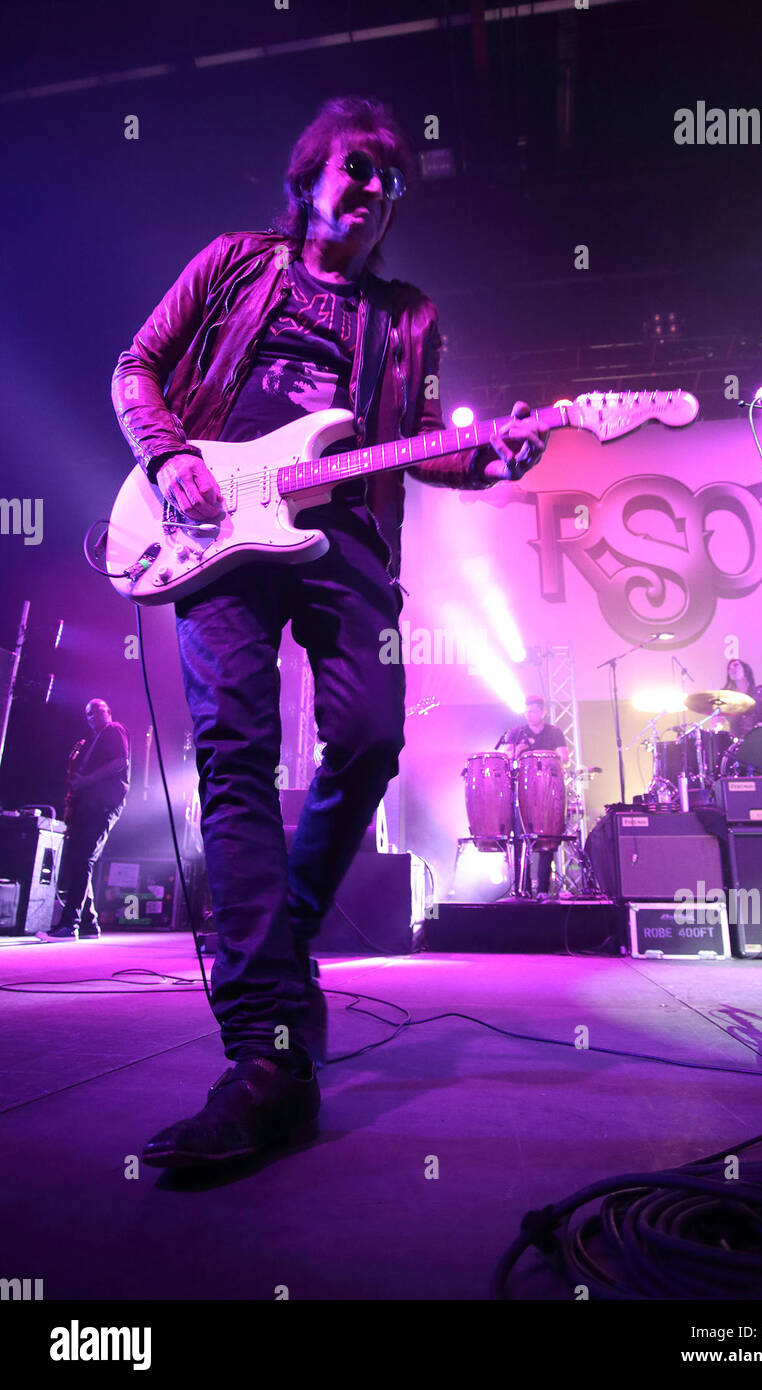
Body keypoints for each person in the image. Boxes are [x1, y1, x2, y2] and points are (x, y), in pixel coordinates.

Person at [110, 95, 549, 1168]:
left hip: (340, 535)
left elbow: (408, 446)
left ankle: (281, 938)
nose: (372, 193)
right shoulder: (232, 264)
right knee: (237, 756)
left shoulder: (406, 317)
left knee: (367, 738)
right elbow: (138, 366)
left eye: (391, 184)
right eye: (356, 171)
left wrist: (489, 455)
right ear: (307, 175)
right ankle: (262, 1042)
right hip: (210, 522)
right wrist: (171, 457)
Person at [40, 699, 129, 941]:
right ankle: (89, 924)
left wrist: (86, 781)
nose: (92, 717)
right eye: (88, 714)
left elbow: (121, 762)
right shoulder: (93, 740)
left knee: (82, 859)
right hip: (89, 806)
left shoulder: (114, 730)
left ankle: (70, 925)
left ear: (108, 712)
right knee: (81, 861)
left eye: (97, 711)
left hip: (104, 805)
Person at [501, 696, 568, 898]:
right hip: (522, 791)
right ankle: (523, 888)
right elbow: (506, 757)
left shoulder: (554, 732)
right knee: (520, 837)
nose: (529, 714)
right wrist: (518, 751)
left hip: (548, 791)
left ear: (543, 712)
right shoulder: (516, 733)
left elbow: (564, 758)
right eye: (527, 711)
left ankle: (543, 890)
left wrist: (544, 756)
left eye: (533, 711)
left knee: (547, 837)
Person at [723, 658, 761, 738]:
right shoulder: (728, 696)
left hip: (758, 735)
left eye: (736, 665)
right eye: (729, 668)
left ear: (745, 670)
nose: (732, 669)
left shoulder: (758, 692)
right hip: (737, 739)